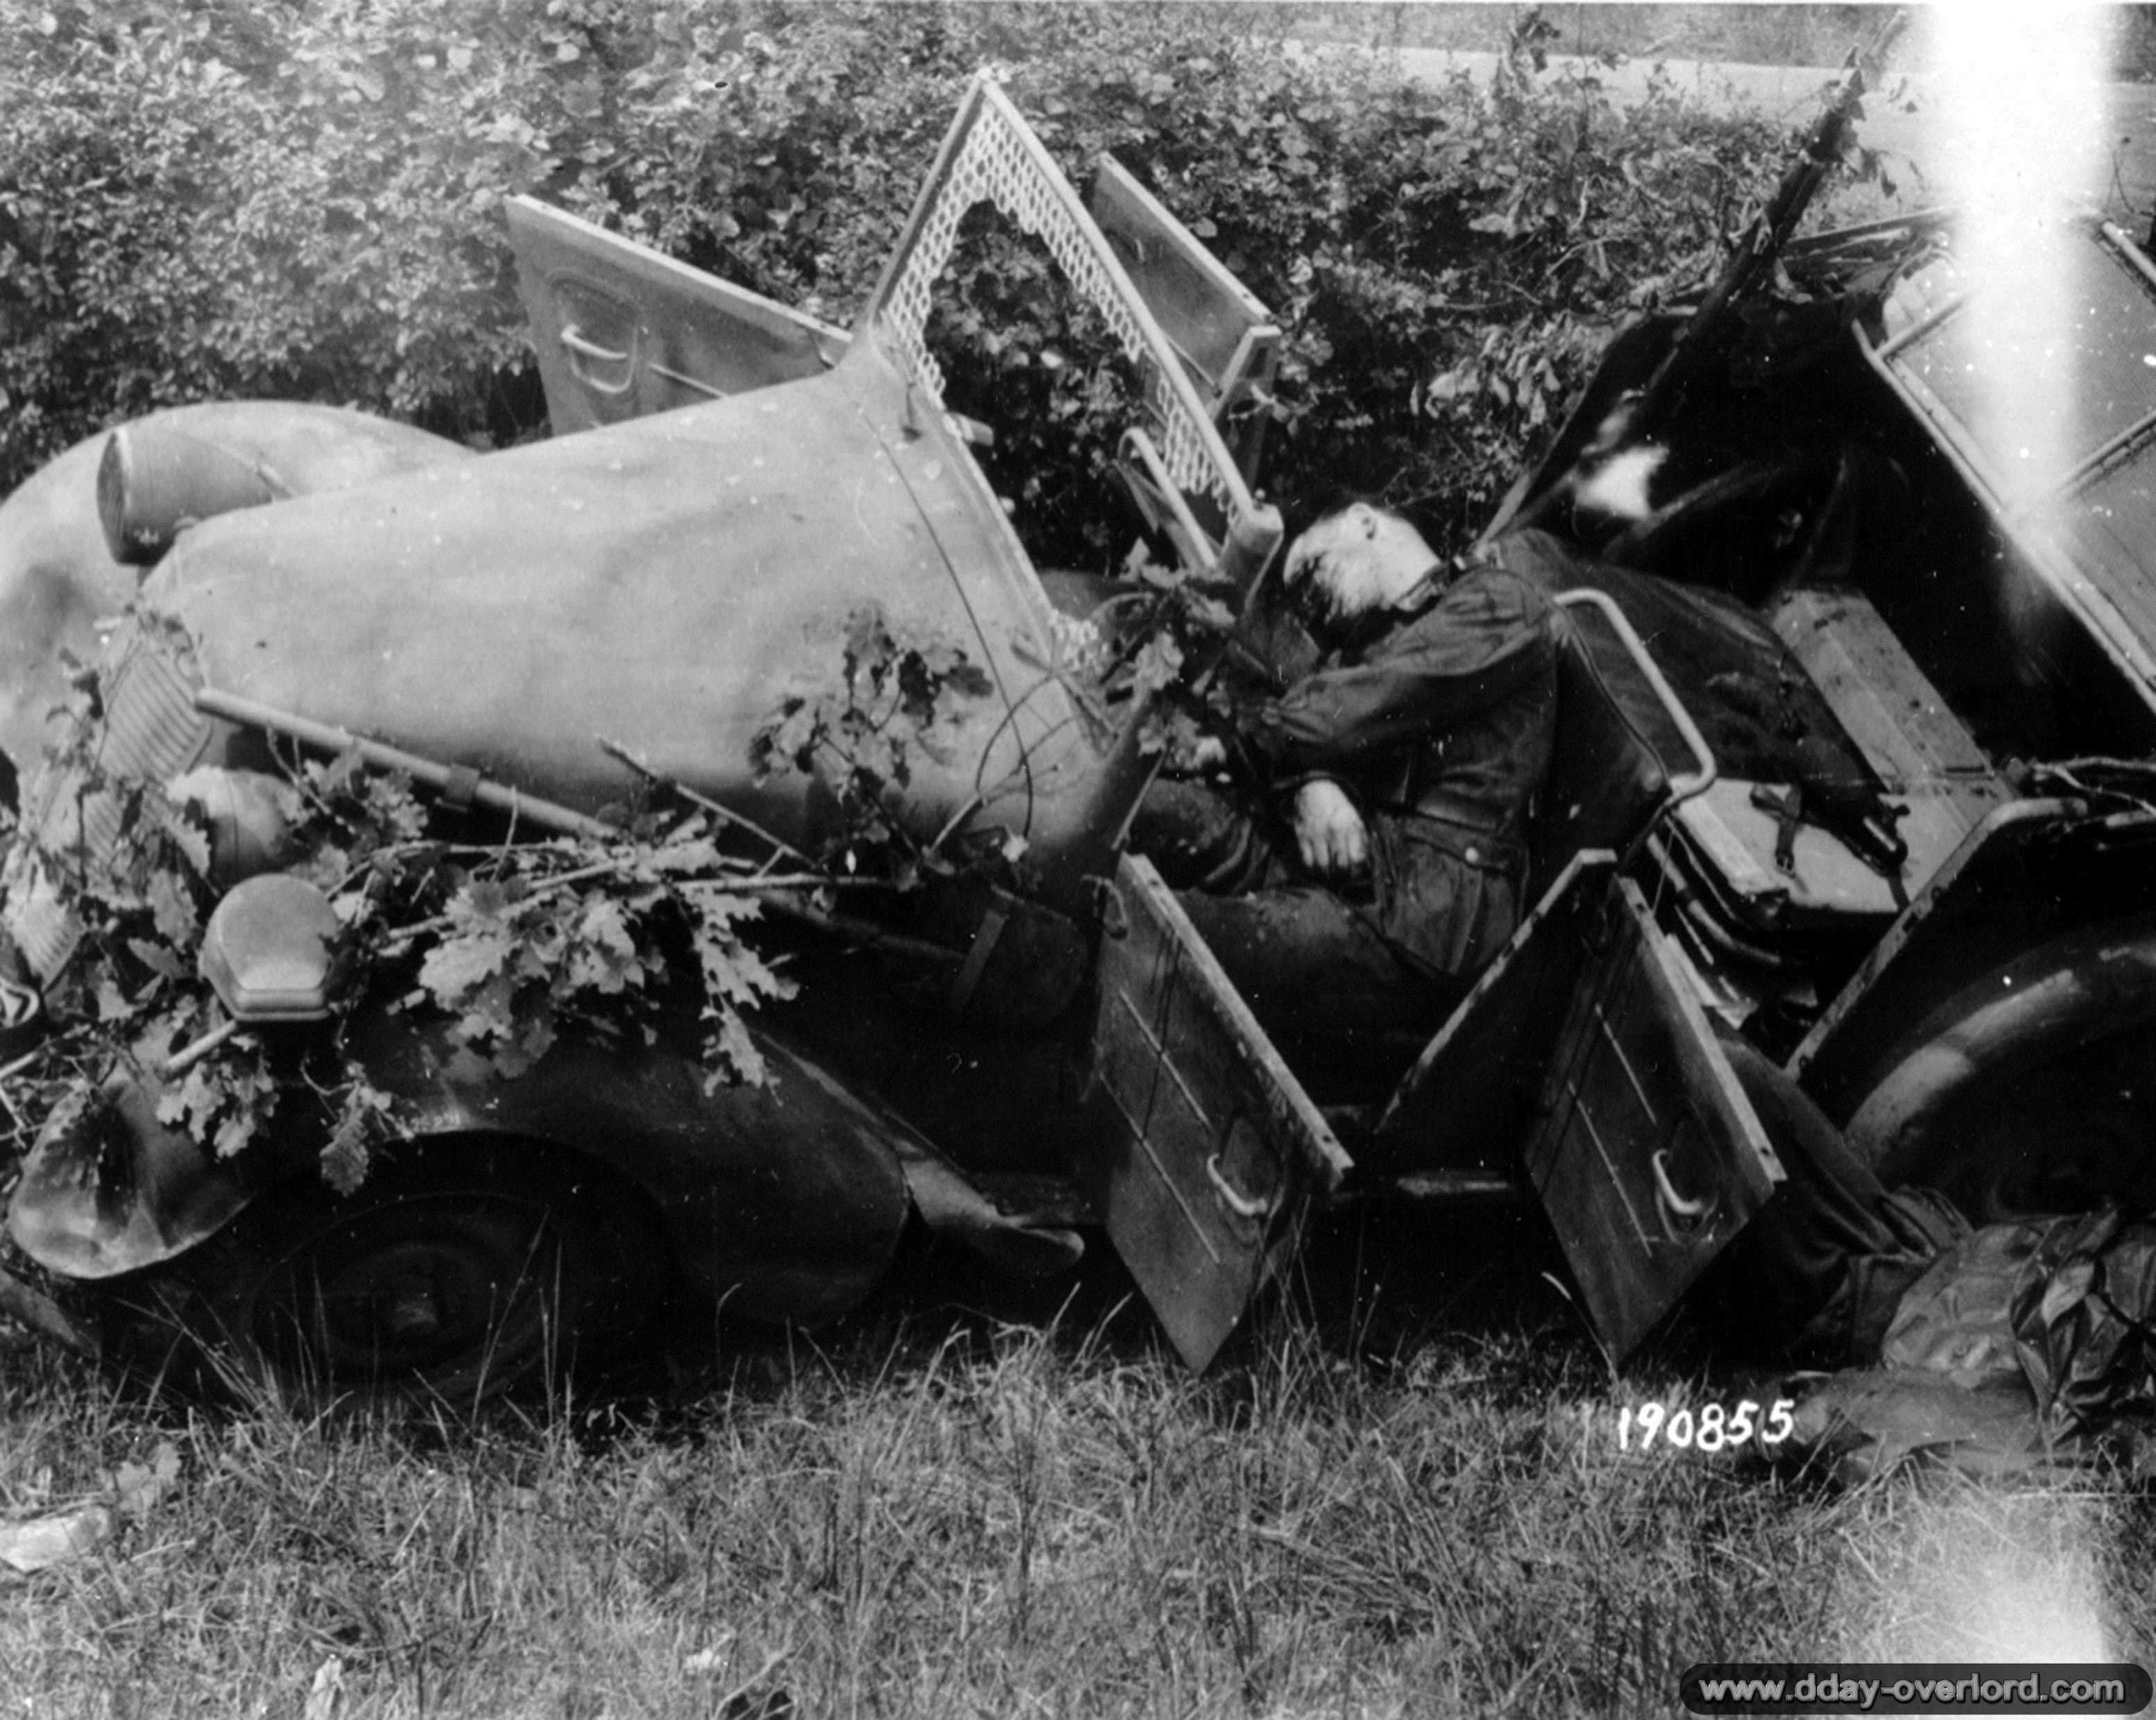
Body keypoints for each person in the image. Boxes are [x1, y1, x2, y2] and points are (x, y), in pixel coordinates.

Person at [1132, 495, 1559, 1043]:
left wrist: (1286, 754)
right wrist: (1314, 780)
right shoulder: (1368, 637)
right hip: (1339, 865)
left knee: (1167, 935)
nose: (1310, 599)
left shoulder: (1499, 604)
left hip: (1415, 919)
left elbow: (1346, 712)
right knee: (1146, 814)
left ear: (1363, 521)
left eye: (1312, 566)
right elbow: (1316, 724)